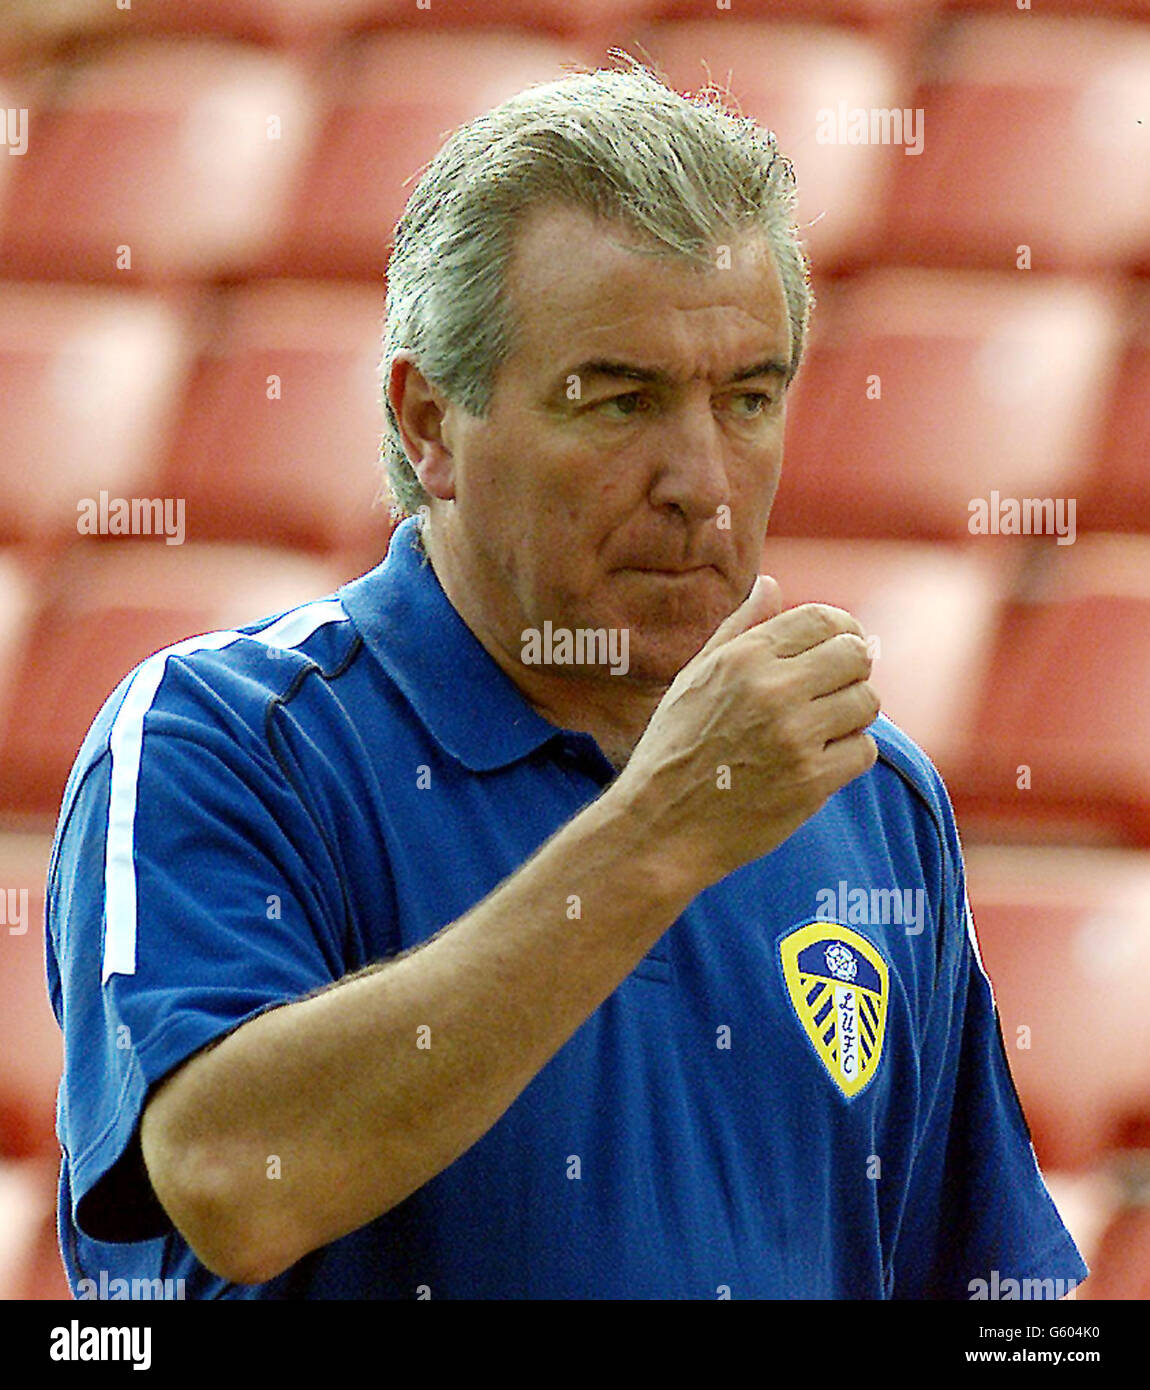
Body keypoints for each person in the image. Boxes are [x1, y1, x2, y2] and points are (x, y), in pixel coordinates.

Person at [47, 62, 1087, 1299]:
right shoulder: (224, 738)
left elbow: (990, 1292)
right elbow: (229, 1177)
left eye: (748, 398)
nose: (700, 477)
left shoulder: (867, 796)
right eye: (618, 400)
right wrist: (657, 836)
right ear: (430, 425)